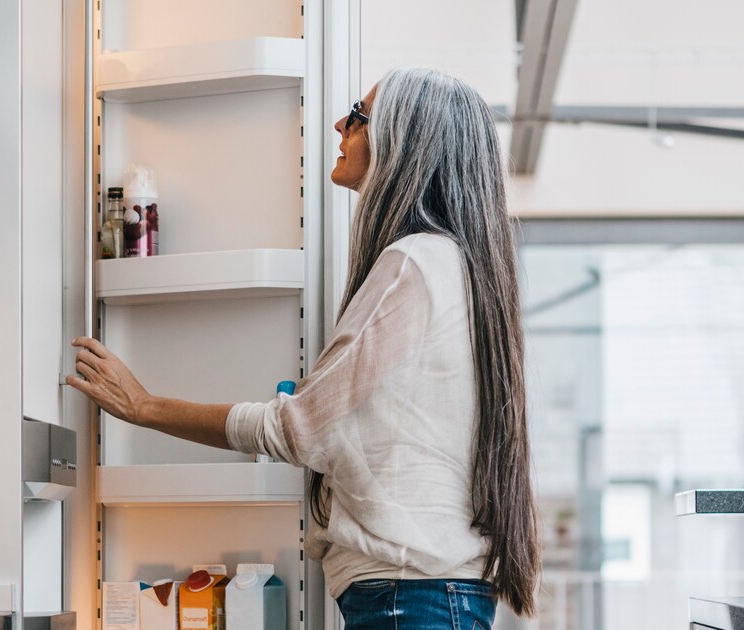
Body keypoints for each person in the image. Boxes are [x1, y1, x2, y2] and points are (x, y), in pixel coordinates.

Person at [66, 67, 540, 629]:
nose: (341, 125)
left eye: (359, 117)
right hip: (429, 595)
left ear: (407, 143)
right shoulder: (455, 266)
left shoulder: (413, 263)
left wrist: (146, 407)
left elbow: (300, 428)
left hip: (410, 598)